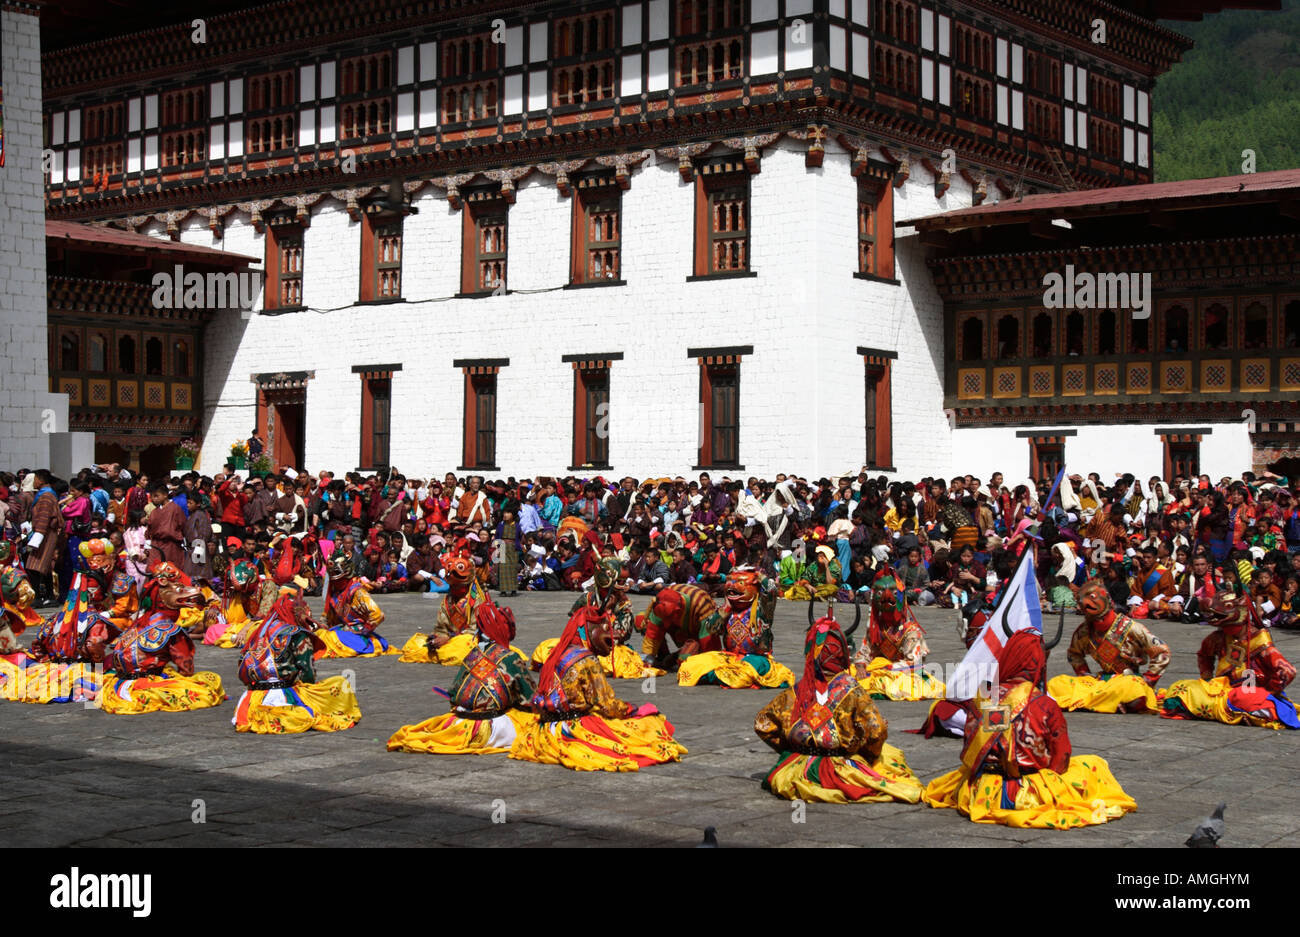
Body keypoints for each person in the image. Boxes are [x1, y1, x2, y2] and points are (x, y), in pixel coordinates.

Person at [923, 629, 1137, 828]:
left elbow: (982, 744)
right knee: (1094, 765)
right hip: (1024, 791)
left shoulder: (984, 697)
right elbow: (1060, 759)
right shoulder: (1044, 704)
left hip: (980, 790)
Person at [755, 611, 922, 804]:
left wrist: (791, 749)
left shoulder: (795, 692)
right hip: (839, 764)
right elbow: (876, 730)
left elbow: (762, 723)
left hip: (796, 768)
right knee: (891, 758)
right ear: (843, 654)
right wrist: (867, 754)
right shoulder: (853, 691)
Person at [510, 604, 686, 772]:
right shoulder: (586, 659)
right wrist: (631, 710)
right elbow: (605, 705)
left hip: (545, 730)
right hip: (572, 726)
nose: (611, 634)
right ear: (588, 631)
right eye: (604, 628)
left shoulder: (556, 653)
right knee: (648, 724)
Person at [387, 601, 537, 755]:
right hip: (489, 726)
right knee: (529, 724)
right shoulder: (511, 657)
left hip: (461, 722)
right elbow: (530, 699)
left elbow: (453, 693)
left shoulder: (472, 654)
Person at [1160, 593, 1298, 729]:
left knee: (1246, 698)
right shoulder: (1218, 637)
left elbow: (1288, 671)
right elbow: (1204, 654)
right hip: (1221, 689)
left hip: (1250, 693)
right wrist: (1207, 679)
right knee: (1181, 688)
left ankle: (1250, 709)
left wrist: (1269, 691)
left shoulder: (1260, 641)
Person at [232, 587, 360, 733]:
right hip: (282, 695)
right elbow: (308, 674)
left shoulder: (258, 631)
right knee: (341, 684)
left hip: (249, 701)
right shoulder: (295, 633)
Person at [99, 580, 226, 714]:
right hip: (141, 684)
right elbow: (186, 670)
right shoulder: (170, 630)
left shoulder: (140, 623)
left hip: (120, 682)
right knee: (207, 686)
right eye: (179, 590)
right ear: (163, 598)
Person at [1047, 580, 1170, 713]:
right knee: (1057, 683)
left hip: (1126, 681)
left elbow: (1162, 652)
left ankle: (1105, 701)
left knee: (1135, 689)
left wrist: (1148, 680)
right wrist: (1085, 676)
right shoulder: (1084, 631)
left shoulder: (1132, 628)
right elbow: (1074, 653)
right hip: (1100, 682)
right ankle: (1110, 703)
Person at [677, 567, 794, 689]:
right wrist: (724, 610)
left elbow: (772, 591)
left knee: (746, 670)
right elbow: (709, 628)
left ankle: (721, 675)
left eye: (740, 583)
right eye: (730, 582)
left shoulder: (761, 608)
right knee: (691, 664)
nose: (732, 587)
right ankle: (724, 675)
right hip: (731, 657)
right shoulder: (728, 611)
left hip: (756, 658)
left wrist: (760, 576)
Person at [854, 568, 942, 700]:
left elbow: (913, 663)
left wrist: (885, 667)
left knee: (897, 685)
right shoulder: (876, 626)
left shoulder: (911, 631)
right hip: (879, 669)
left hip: (905, 673)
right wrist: (861, 665)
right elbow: (865, 652)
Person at [400, 548, 490, 664]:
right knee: (414, 645)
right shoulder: (448, 600)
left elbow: (474, 630)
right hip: (450, 639)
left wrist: (448, 638)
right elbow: (441, 627)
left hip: (469, 638)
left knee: (461, 648)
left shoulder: (477, 599)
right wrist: (438, 637)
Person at [318, 552, 395, 658]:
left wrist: (358, 630)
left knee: (330, 638)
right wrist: (322, 624)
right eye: (331, 573)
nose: (334, 578)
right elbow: (329, 617)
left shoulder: (357, 591)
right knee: (321, 635)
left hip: (357, 636)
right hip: (342, 631)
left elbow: (378, 615)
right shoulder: (335, 591)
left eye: (336, 573)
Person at [633, 583, 724, 671]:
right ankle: (663, 655)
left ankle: (684, 652)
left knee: (685, 660)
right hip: (678, 627)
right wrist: (648, 657)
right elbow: (652, 633)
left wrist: (709, 662)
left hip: (699, 632)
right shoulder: (661, 600)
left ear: (678, 611)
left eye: (669, 618)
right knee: (640, 620)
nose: (666, 623)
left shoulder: (701, 604)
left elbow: (707, 639)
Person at [24, 470, 65, 608]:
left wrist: (37, 537)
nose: (34, 482)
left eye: (35, 478)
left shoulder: (46, 496)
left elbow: (43, 517)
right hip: (44, 534)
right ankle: (49, 597)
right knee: (45, 567)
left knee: (33, 566)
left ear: (41, 480)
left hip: (45, 535)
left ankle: (38, 597)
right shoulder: (45, 494)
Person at [144, 483, 186, 568]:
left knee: (171, 572)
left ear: (165, 495)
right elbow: (149, 530)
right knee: (154, 571)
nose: (153, 499)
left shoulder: (175, 509)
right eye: (152, 497)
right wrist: (147, 546)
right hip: (156, 546)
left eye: (156, 496)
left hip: (171, 546)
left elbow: (183, 526)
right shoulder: (154, 512)